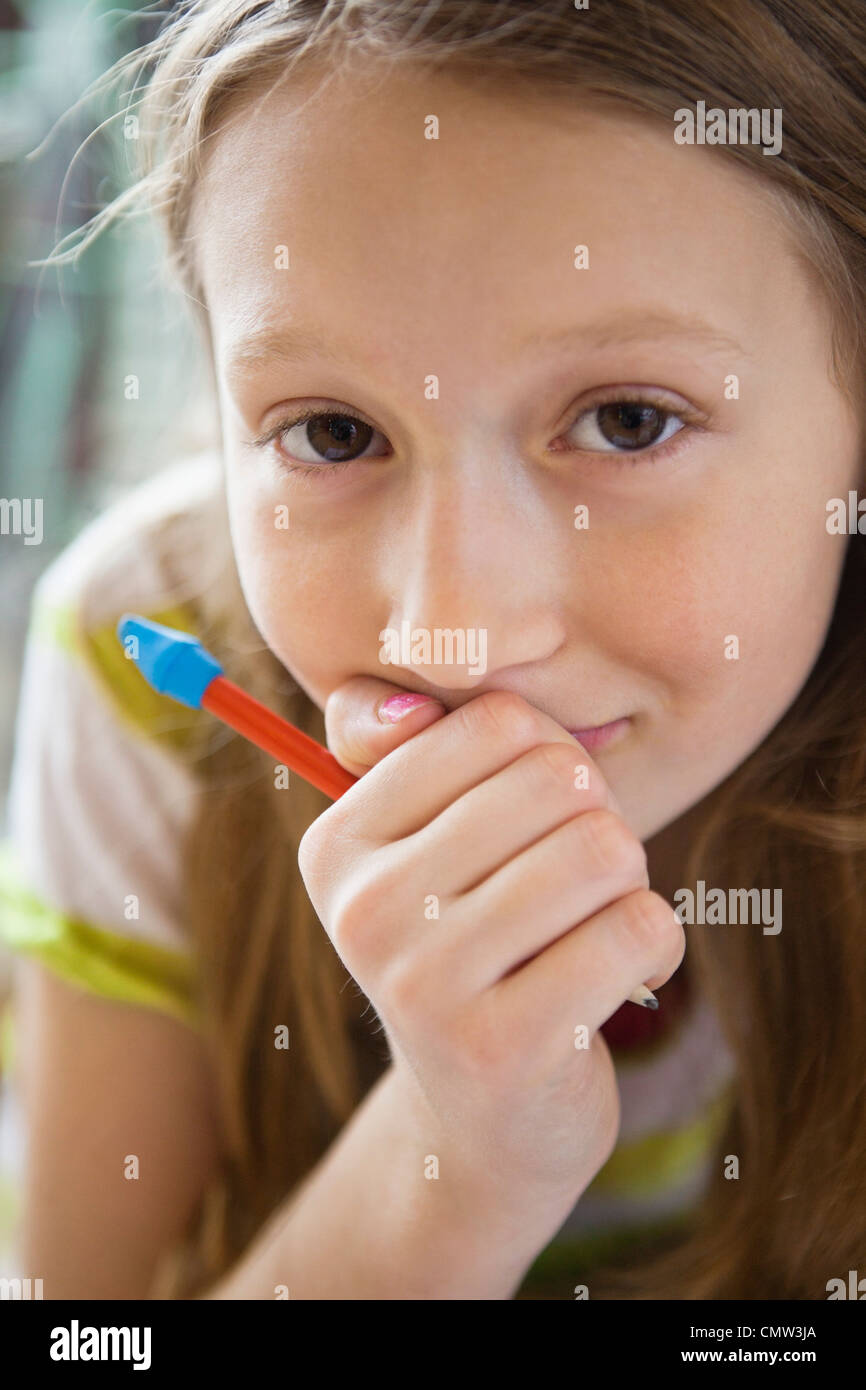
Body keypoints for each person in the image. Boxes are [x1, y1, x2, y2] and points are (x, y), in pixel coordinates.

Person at [1, 0, 865, 1300]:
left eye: (627, 421)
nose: (448, 628)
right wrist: (455, 1164)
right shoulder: (148, 663)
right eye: (332, 434)